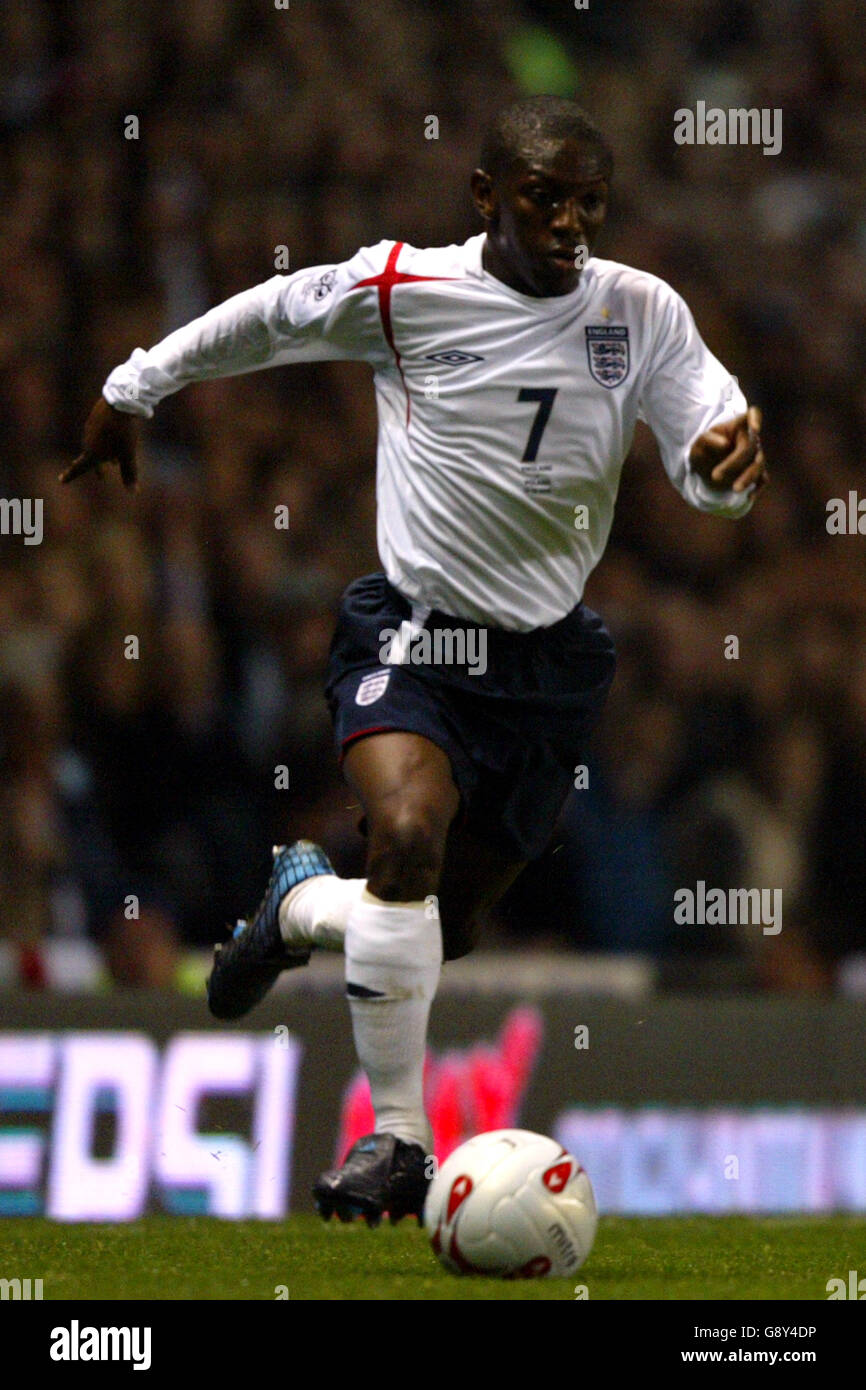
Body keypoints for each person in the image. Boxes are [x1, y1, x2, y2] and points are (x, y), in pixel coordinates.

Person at [62, 95, 767, 1225]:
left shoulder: (641, 311)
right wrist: (130, 387)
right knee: (404, 838)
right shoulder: (403, 289)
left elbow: (707, 458)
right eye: (542, 198)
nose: (569, 223)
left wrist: (723, 475)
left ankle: (300, 908)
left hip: (545, 666)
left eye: (589, 203)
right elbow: (270, 317)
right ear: (485, 195)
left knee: (442, 926)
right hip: (414, 633)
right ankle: (396, 1141)